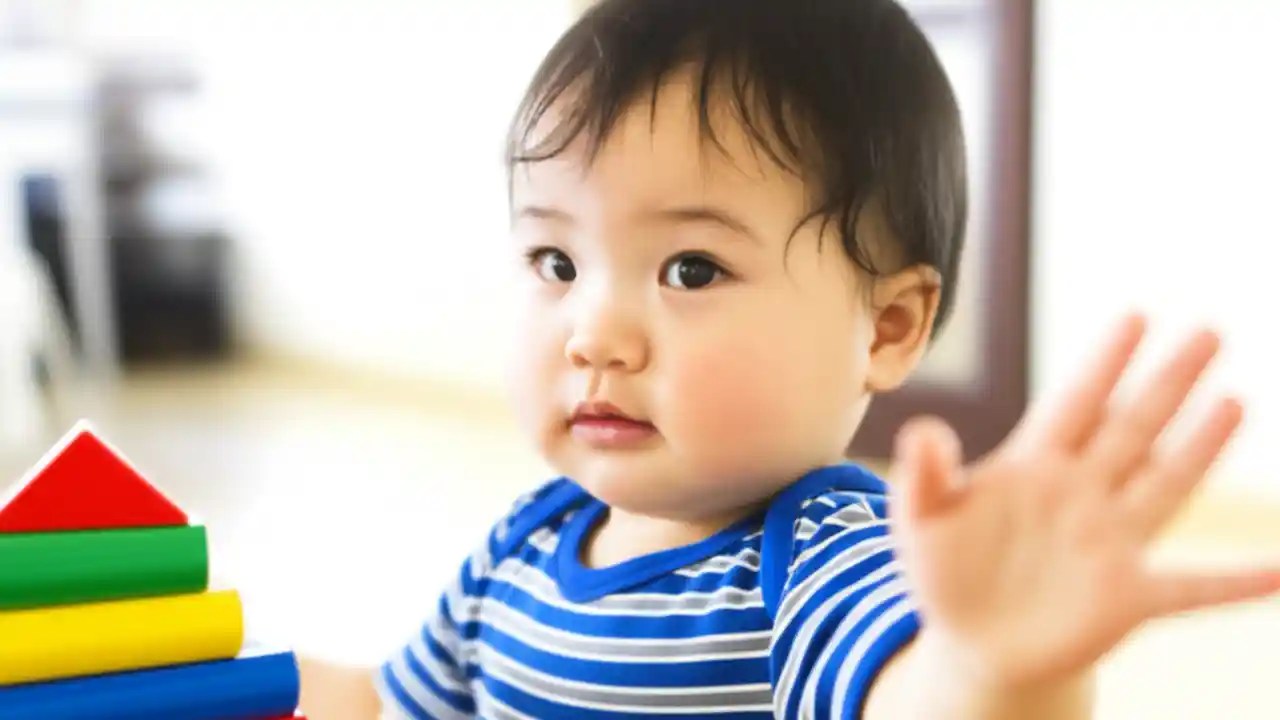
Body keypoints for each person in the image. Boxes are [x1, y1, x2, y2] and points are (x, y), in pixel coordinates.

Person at [298, 0, 1279, 717]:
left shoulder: (816, 560)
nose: (591, 333)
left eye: (689, 268)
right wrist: (237, 671)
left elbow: (917, 700)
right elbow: (384, 705)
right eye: (555, 260)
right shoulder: (521, 545)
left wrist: (994, 664)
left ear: (888, 328)